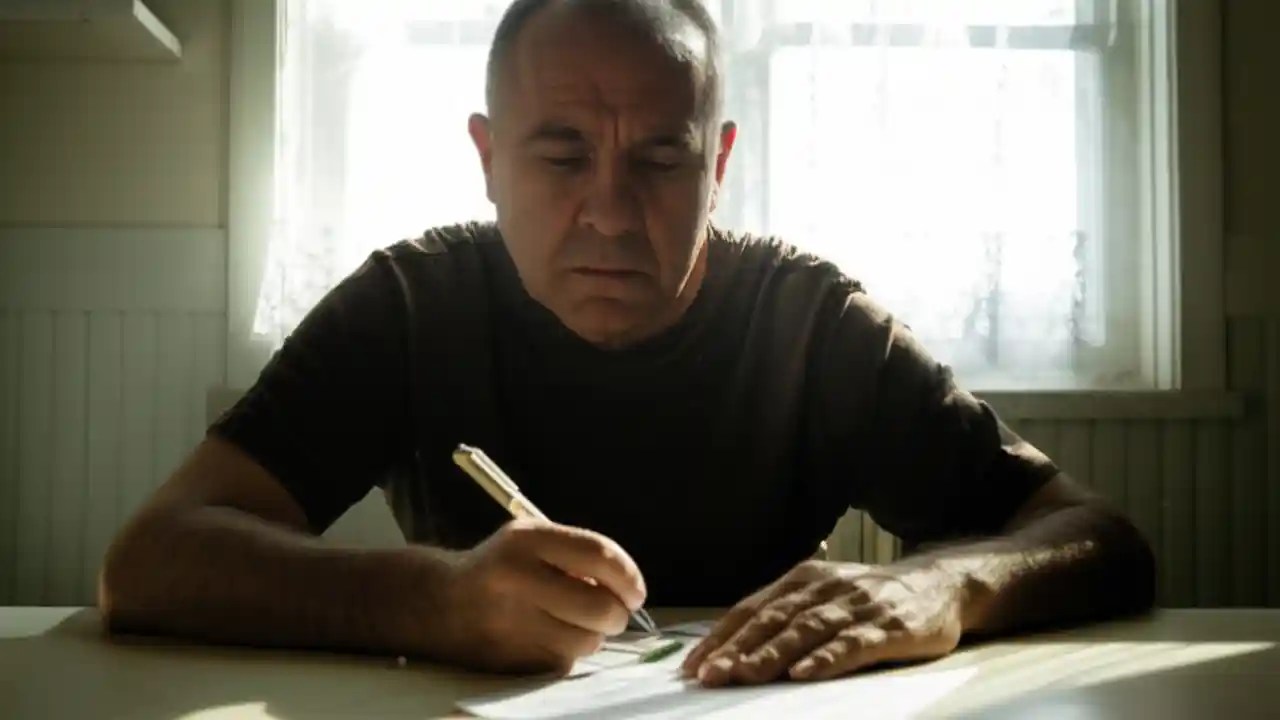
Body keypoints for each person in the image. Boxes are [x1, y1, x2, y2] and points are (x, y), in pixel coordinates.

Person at [99, 0, 1155, 686]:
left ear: (719, 164)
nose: (608, 213)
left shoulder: (808, 325)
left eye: (659, 160)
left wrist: (940, 588)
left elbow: (1098, 534)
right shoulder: (411, 306)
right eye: (560, 158)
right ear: (486, 156)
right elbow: (148, 561)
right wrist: (433, 599)